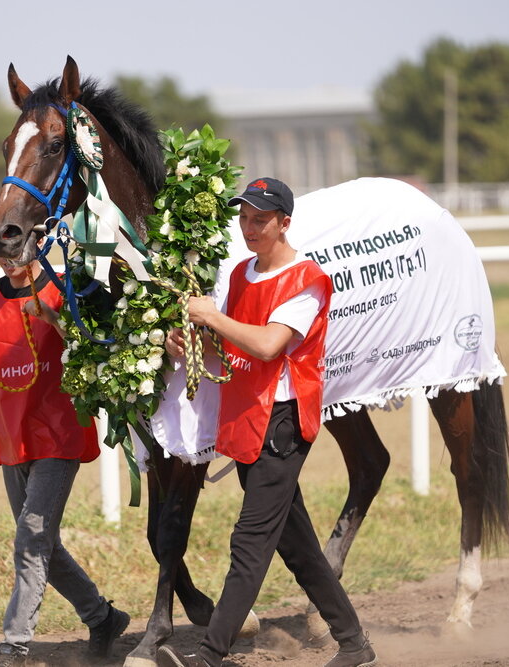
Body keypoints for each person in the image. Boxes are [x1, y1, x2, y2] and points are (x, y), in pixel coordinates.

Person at [156, 178, 376, 667]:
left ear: (284, 223)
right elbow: (232, 346)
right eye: (245, 217)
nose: (249, 227)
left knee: (250, 541)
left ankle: (210, 654)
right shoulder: (239, 275)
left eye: (260, 219)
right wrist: (188, 343)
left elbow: (267, 345)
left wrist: (211, 319)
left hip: (282, 422)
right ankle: (355, 642)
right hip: (246, 420)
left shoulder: (309, 280)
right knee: (297, 547)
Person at [0, 253, 130, 667]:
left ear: (38, 241)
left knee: (31, 535)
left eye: (18, 250)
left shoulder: (66, 288)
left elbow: (94, 346)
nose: (9, 260)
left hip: (59, 434)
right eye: (0, 252)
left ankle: (15, 645)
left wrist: (52, 318)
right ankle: (103, 618)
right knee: (42, 543)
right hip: (12, 437)